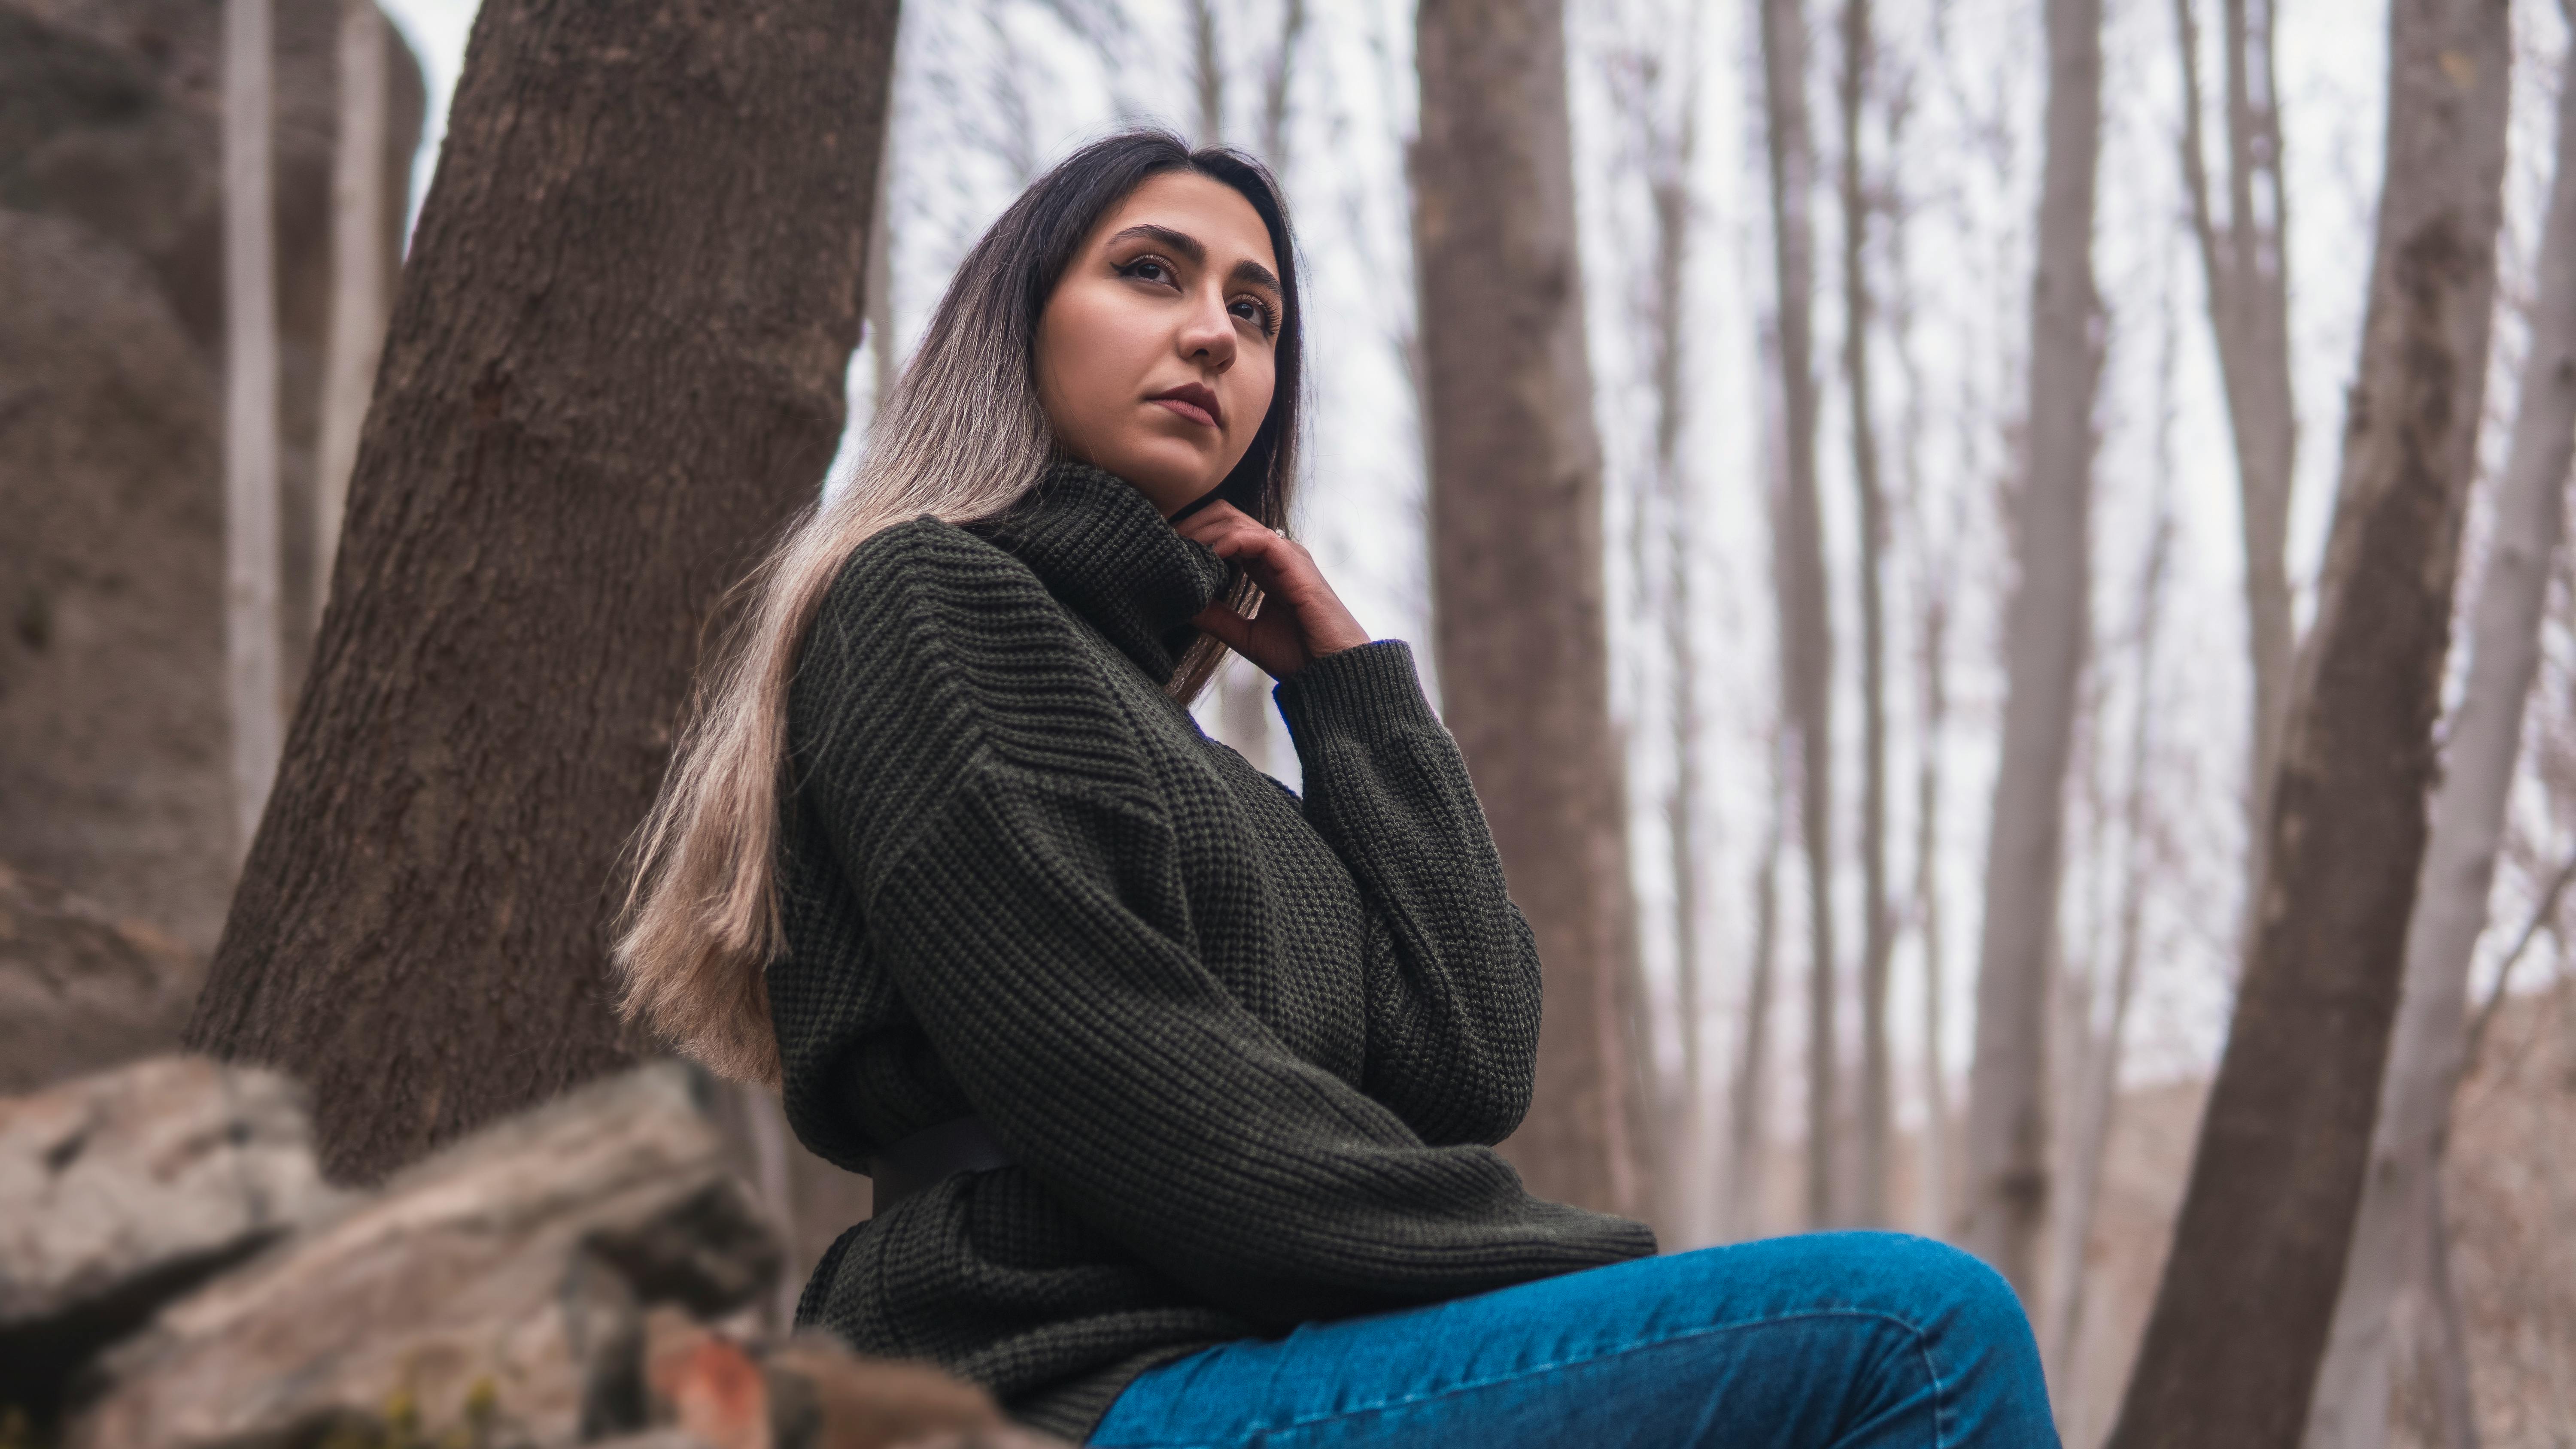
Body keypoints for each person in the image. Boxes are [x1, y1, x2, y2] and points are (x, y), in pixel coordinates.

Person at [615, 129, 2058, 1449]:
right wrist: (1599, 1268)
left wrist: (1352, 697)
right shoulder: (925, 599)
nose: (1212, 336)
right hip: (1049, 1389)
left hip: (1251, 1361)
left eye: (1255, 314)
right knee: (1907, 1331)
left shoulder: (1214, 778)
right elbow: (1137, 1090)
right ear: (1016, 324)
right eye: (1150, 273)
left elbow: (1467, 1060)